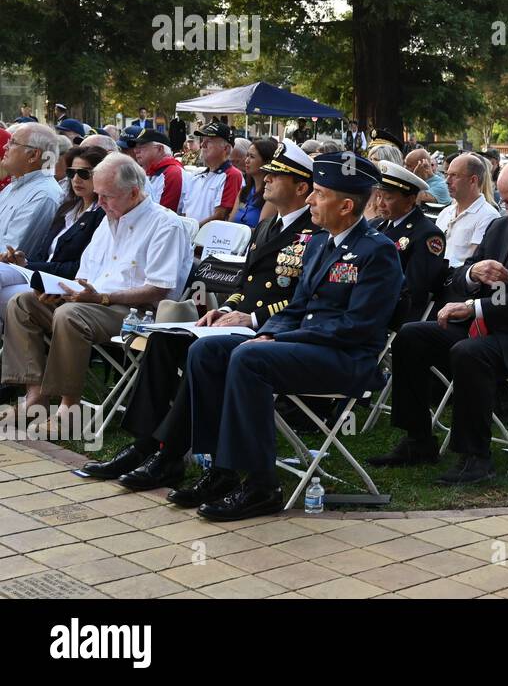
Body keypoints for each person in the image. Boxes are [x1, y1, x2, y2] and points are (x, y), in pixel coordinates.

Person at [172, 152, 401, 519]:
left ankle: (262, 485)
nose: (310, 198)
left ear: (345, 205)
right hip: (304, 346)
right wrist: (264, 330)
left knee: (249, 358)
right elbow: (295, 308)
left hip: (346, 357)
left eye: (319, 193)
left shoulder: (377, 252)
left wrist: (278, 341)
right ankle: (222, 470)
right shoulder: (319, 243)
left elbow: (357, 326)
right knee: (208, 351)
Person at [81, 142, 321, 491]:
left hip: (270, 332)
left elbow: (303, 300)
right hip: (236, 324)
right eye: (268, 172)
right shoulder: (268, 227)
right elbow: (245, 285)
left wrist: (250, 319)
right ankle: (144, 444)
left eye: (277, 175)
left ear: (301, 188)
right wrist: (224, 309)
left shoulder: (315, 235)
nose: (266, 179)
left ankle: (169, 456)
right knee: (163, 340)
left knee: (202, 354)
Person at [371, 158, 508, 484]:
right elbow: (455, 278)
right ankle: (418, 440)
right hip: (487, 330)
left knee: (470, 352)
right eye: (505, 201)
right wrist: (472, 274)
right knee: (411, 336)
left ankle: (475, 457)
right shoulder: (500, 228)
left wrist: (475, 306)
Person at [1, 154, 190, 430]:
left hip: (138, 314)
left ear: (134, 193)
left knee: (69, 315)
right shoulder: (109, 218)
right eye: (99, 195)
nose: (99, 203)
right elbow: (85, 276)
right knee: (23, 302)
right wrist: (61, 291)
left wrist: (100, 298)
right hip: (92, 301)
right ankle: (36, 396)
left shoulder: (165, 224)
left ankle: (69, 407)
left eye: (107, 196)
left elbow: (158, 290)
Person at [0, 145, 107, 334]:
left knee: (10, 296)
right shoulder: (68, 208)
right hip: (38, 274)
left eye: (84, 173)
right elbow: (44, 251)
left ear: (101, 175)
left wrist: (29, 265)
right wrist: (23, 260)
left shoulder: (102, 215)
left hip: (63, 283)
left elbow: (78, 267)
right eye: (71, 173)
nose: (75, 179)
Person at [372, 161, 448, 324]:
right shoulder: (376, 225)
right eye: (379, 196)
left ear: (410, 200)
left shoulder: (427, 235)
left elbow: (414, 290)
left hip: (390, 313)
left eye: (388, 197)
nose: (380, 204)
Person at [0, 122, 63, 257]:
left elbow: (10, 254)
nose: (5, 147)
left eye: (13, 142)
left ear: (33, 155)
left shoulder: (44, 195)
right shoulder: (12, 187)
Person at [436, 153, 500, 268]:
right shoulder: (445, 213)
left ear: (473, 180)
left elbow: (476, 263)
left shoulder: (489, 217)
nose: (447, 181)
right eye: (447, 174)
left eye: (454, 175)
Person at [180, 122, 243, 227]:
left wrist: (191, 231)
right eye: (202, 141)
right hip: (191, 238)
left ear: (226, 149)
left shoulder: (232, 175)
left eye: (208, 141)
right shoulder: (196, 176)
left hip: (209, 240)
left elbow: (221, 216)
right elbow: (185, 211)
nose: (202, 145)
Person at [130, 129, 185, 212]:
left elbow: (165, 215)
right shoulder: (147, 172)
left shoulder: (173, 173)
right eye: (135, 147)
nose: (135, 150)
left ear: (160, 149)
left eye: (141, 146)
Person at [232, 138, 277, 228]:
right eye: (247, 155)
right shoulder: (244, 191)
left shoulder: (271, 194)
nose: (246, 160)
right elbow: (230, 221)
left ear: (266, 162)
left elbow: (260, 231)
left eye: (252, 157)